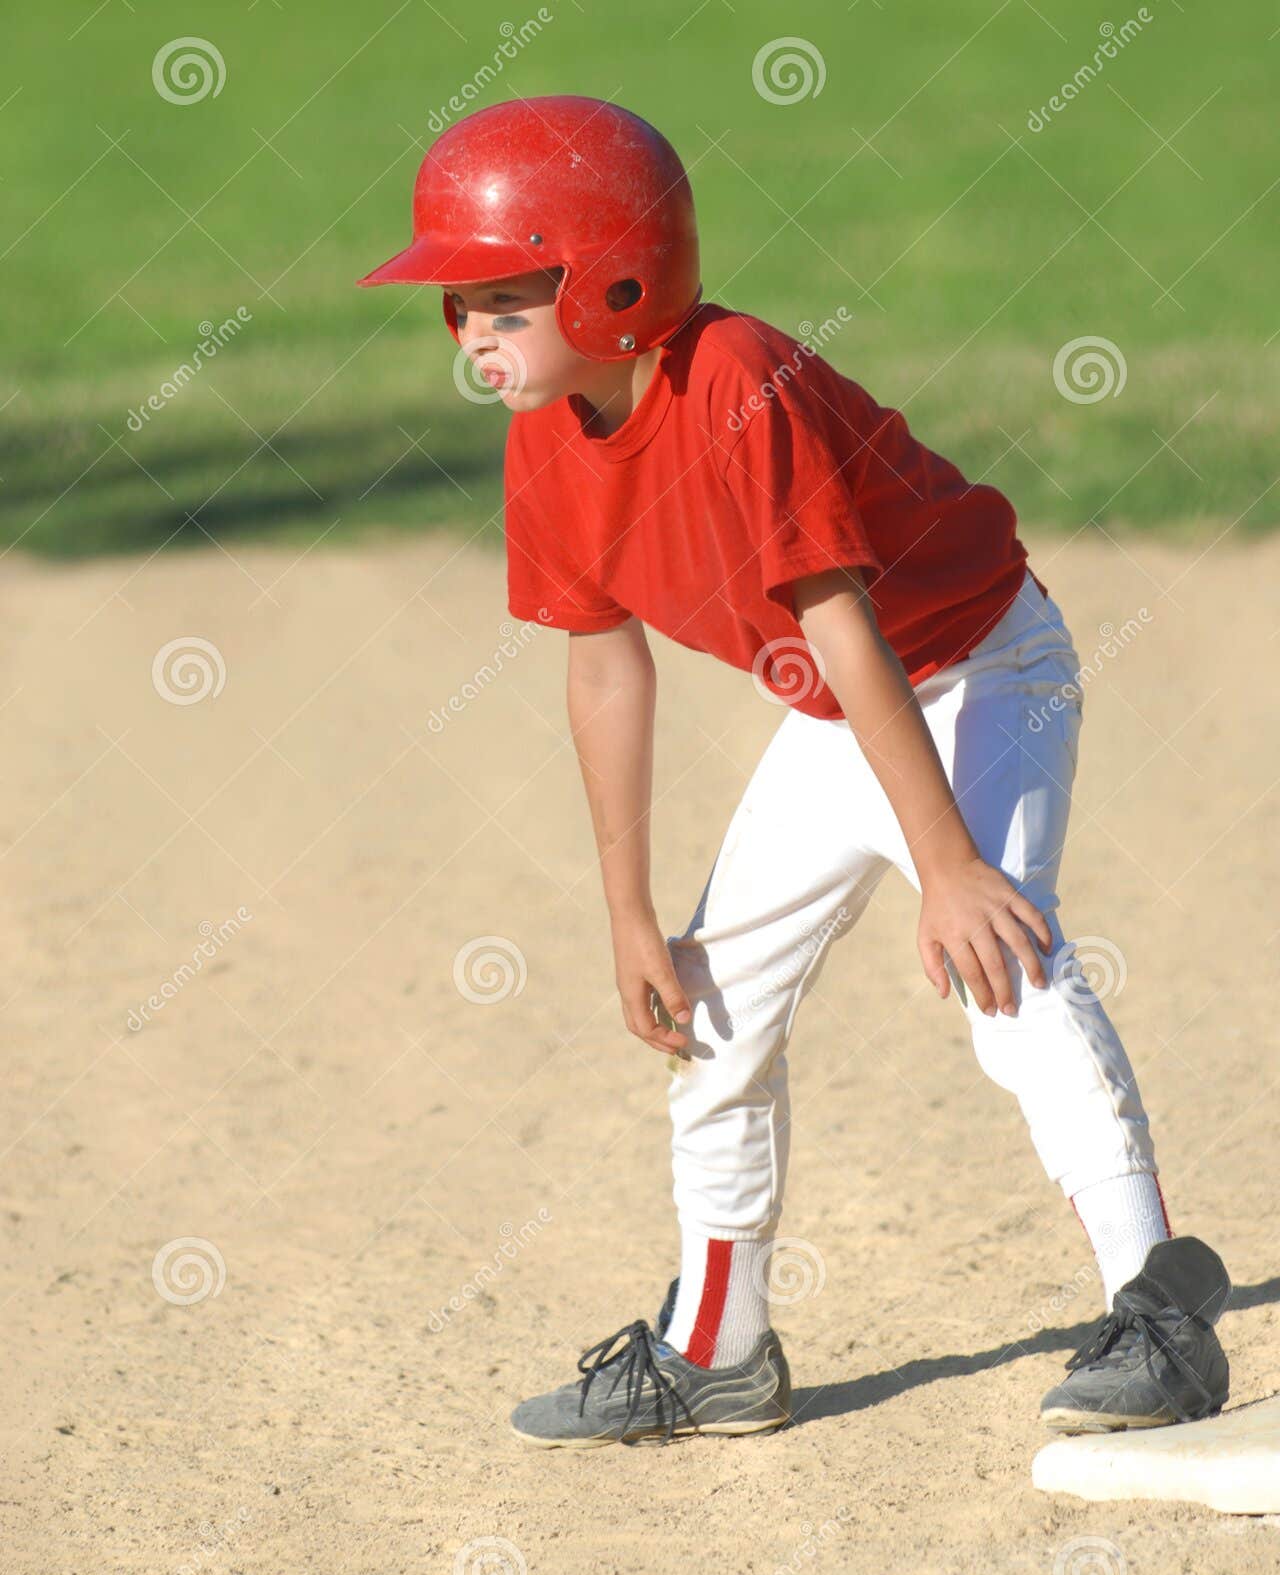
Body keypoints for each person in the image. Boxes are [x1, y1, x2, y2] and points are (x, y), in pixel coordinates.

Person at [358, 94, 1232, 1449]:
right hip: (846, 704)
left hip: (979, 660)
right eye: (455, 308)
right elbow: (605, 667)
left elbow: (846, 621)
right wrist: (630, 911)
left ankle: (1160, 1310)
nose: (470, 333)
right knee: (711, 1002)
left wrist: (946, 865)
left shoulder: (735, 382)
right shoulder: (547, 441)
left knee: (998, 956)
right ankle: (719, 1350)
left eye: (502, 301)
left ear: (616, 280)